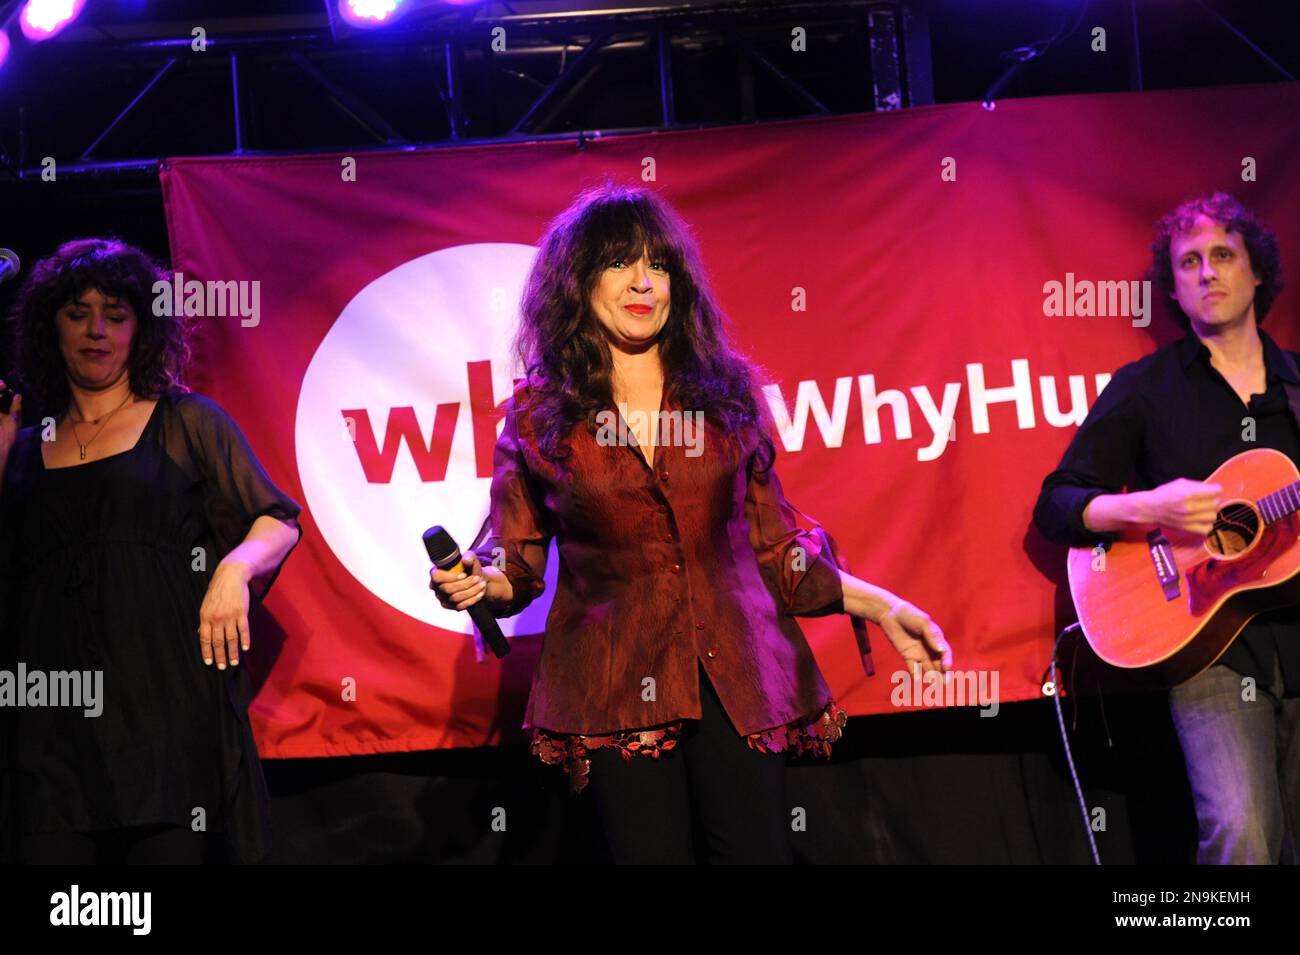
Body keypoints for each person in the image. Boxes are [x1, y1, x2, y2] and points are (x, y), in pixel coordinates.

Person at [432, 183, 951, 864]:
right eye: (620, 264)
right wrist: (478, 584)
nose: (644, 282)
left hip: (736, 675)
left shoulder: (723, 392)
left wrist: (882, 605)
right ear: (578, 284)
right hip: (618, 683)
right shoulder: (538, 414)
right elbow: (516, 561)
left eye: (660, 264)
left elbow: (774, 543)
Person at [0, 238, 302, 864]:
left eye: (115, 314)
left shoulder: (185, 420)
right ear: (48, 325)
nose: (96, 331)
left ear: (140, 328)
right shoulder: (24, 448)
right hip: (51, 734)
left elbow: (277, 520)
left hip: (165, 718)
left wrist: (233, 568)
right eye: (77, 313)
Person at [1034, 192, 1300, 864]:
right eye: (1189, 262)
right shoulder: (1145, 387)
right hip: (1207, 648)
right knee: (1243, 834)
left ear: (1256, 271)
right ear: (1174, 290)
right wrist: (1150, 507)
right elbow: (1059, 503)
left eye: (1222, 255)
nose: (1208, 272)